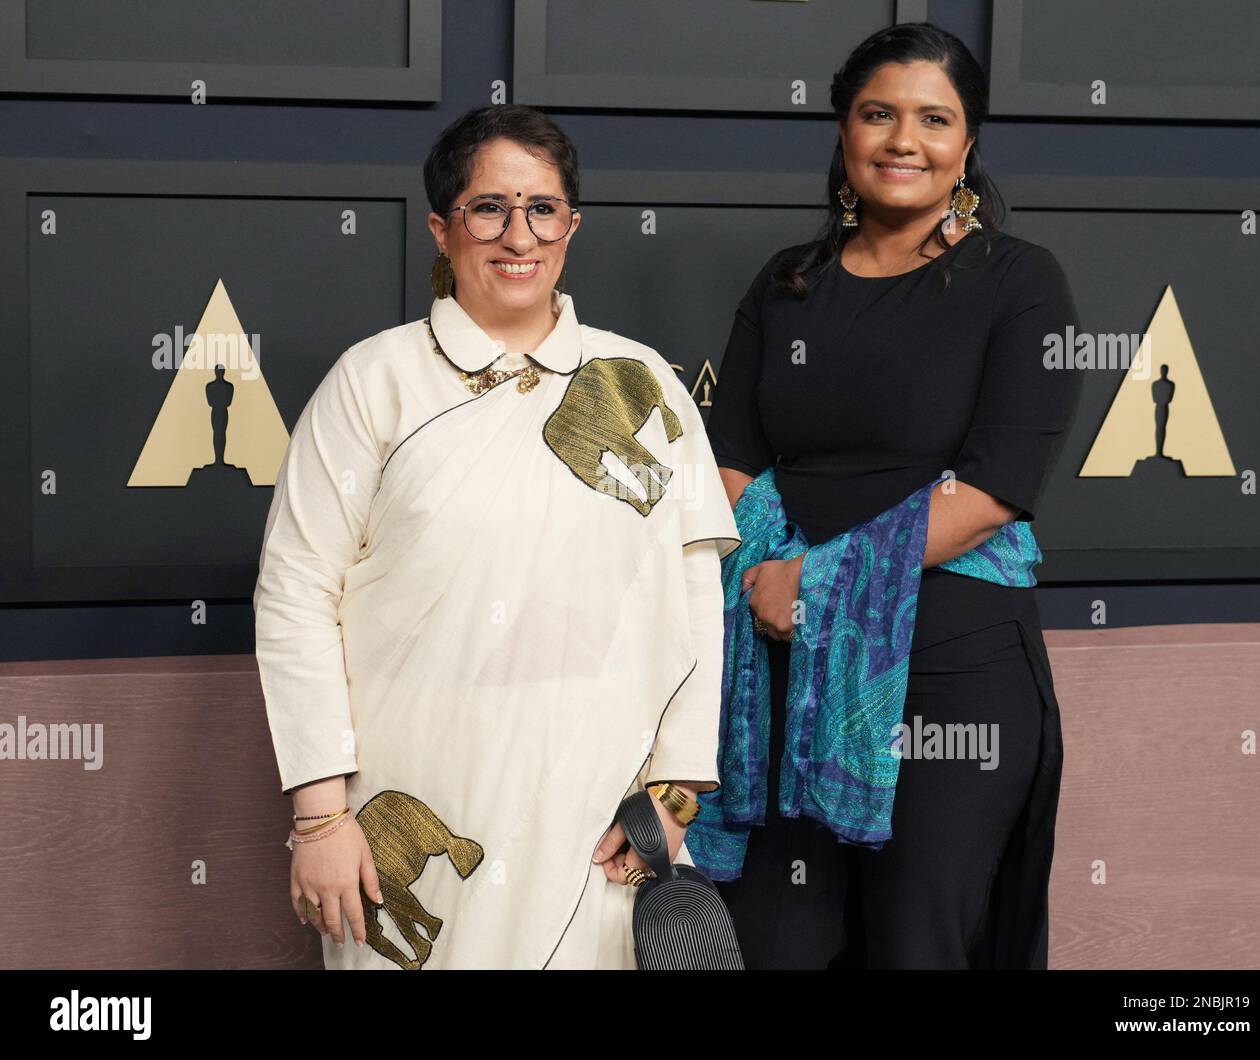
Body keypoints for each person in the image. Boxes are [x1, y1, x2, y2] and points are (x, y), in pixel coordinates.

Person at [253, 104, 740, 969]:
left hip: (600, 807)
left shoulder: (642, 383)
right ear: (442, 229)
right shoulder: (373, 383)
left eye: (542, 208)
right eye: (489, 208)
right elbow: (296, 595)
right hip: (416, 786)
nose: (519, 234)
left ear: (572, 224)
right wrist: (319, 817)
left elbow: (697, 599)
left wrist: (675, 791)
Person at [695, 23, 1084, 969]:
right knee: (773, 945)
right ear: (843, 132)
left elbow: (995, 488)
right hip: (778, 667)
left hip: (949, 675)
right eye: (879, 114)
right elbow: (733, 462)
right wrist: (769, 585)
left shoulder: (1018, 282)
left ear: (968, 147)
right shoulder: (787, 285)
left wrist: (816, 584)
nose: (903, 140)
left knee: (916, 948)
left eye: (933, 119)